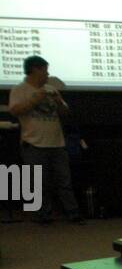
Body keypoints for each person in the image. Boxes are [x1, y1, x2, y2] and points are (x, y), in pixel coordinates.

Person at [9, 56, 81, 223]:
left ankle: (73, 213)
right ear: (35, 70)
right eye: (45, 70)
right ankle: (42, 215)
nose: (47, 74)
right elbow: (15, 111)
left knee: (65, 181)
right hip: (34, 143)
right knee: (38, 183)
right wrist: (36, 99)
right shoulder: (19, 89)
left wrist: (58, 101)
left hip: (57, 143)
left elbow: (65, 112)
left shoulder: (51, 89)